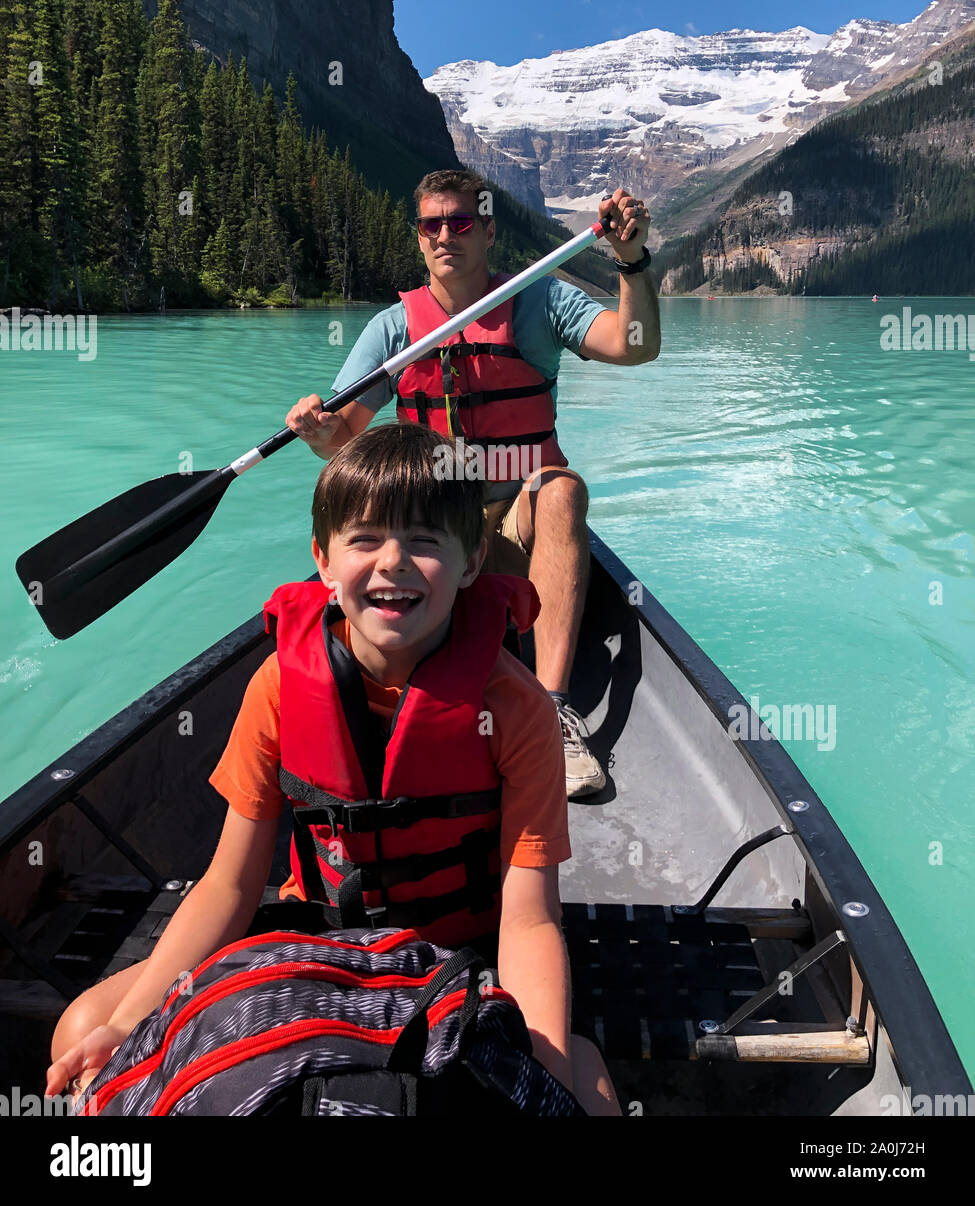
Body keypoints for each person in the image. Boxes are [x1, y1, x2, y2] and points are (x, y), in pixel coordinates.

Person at [46, 423, 621, 1116]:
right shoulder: (280, 687)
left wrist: (541, 1073)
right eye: (365, 539)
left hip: (457, 958)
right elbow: (229, 885)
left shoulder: (513, 707)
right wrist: (128, 1025)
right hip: (314, 940)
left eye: (424, 541)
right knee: (83, 1025)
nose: (393, 563)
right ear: (322, 559)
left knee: (578, 1082)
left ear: (472, 562)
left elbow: (528, 921)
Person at [286, 168, 659, 798]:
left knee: (563, 488)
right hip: (440, 525)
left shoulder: (542, 301)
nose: (444, 236)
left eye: (460, 223)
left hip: (518, 514)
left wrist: (633, 262)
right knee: (368, 505)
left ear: (487, 231)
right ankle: (383, 693)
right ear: (420, 237)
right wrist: (317, 430)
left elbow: (636, 345)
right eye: (432, 225)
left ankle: (553, 708)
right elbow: (343, 436)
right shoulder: (392, 328)